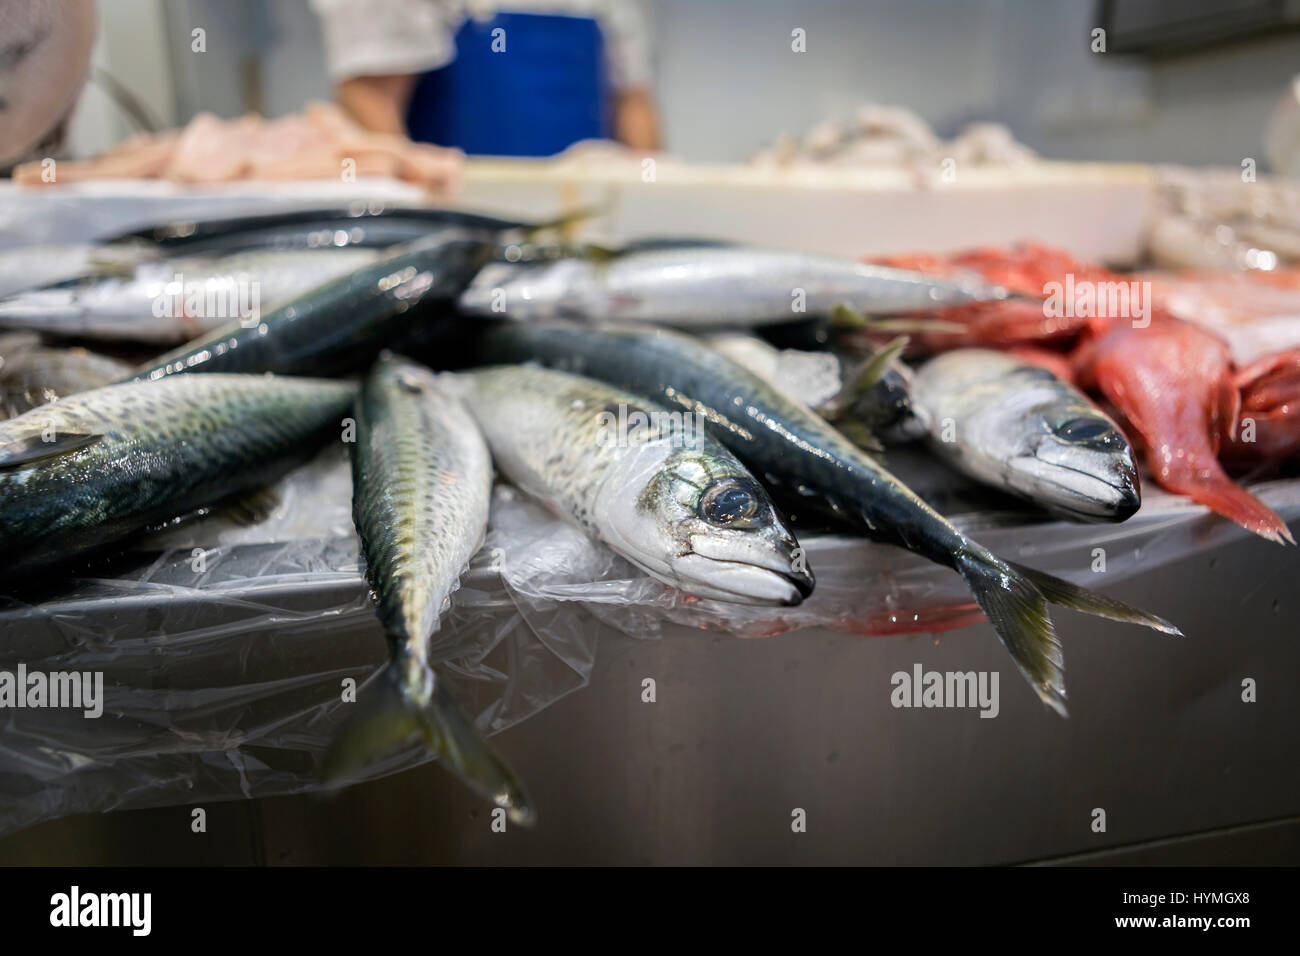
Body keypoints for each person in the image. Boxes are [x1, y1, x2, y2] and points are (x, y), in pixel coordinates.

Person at [310, 0, 662, 157]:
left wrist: (649, 195)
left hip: (586, 217)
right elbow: (371, 99)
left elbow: (633, 100)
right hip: (463, 222)